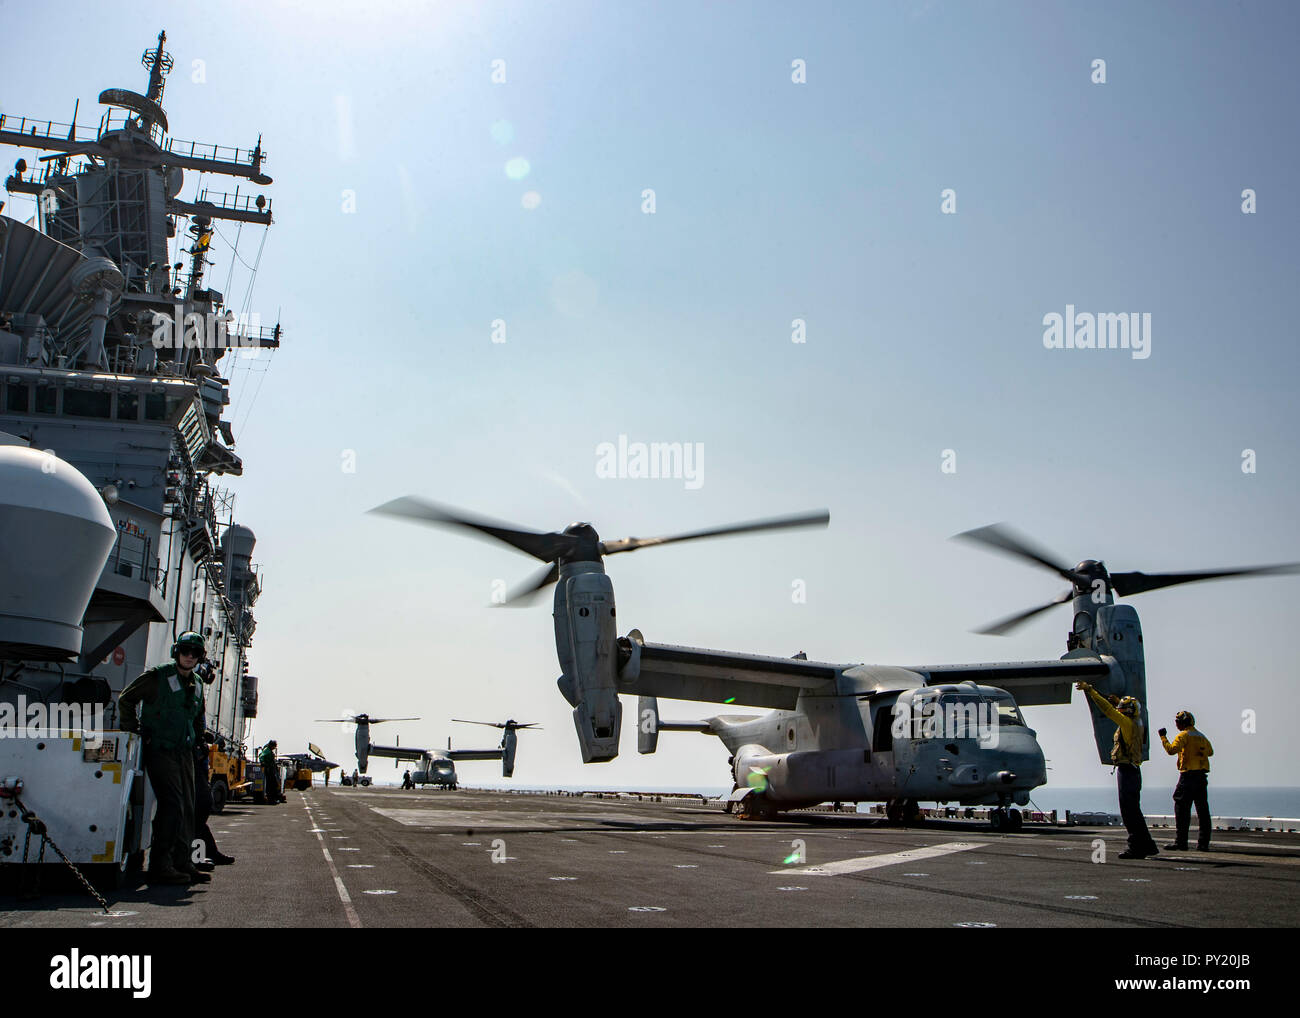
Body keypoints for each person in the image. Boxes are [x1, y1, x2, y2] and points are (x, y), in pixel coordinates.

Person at [118, 631, 211, 885]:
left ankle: (183, 862)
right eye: (185, 650)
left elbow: (198, 716)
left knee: (189, 807)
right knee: (172, 805)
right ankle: (161, 864)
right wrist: (135, 729)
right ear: (176, 651)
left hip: (185, 751)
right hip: (160, 749)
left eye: (195, 652)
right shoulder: (157, 676)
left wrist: (200, 739)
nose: (190, 656)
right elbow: (126, 699)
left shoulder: (198, 684)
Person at [1077, 682, 1158, 860]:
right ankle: (1148, 845)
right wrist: (1117, 702)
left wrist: (1091, 691)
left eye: (1123, 709)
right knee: (1134, 810)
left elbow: (1108, 711)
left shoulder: (1128, 724)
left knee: (1129, 812)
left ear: (1129, 711)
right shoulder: (1137, 722)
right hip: (1133, 770)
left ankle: (1136, 846)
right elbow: (1118, 711)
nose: (1121, 711)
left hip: (1127, 771)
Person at [1160, 711, 1214, 851]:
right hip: (1201, 777)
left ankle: (1181, 842)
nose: (1176, 724)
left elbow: (1172, 750)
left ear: (1182, 723)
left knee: (1182, 809)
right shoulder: (1201, 736)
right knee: (1203, 811)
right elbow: (1210, 752)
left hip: (1188, 777)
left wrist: (1163, 737)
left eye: (1177, 721)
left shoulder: (1183, 735)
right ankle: (1203, 844)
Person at [259, 740, 285, 804]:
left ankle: (275, 798)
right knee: (271, 785)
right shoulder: (267, 750)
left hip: (272, 769)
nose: (274, 748)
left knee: (274, 784)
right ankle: (271, 799)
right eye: (274, 746)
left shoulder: (269, 750)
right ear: (271, 745)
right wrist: (263, 763)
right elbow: (261, 756)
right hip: (269, 769)